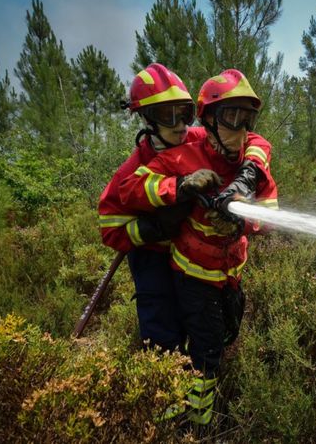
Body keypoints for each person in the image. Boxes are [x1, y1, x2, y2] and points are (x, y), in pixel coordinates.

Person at [118, 69, 278, 426]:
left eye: (245, 118)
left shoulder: (253, 163)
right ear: (207, 119)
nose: (238, 128)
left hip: (230, 276)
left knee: (226, 333)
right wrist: (180, 187)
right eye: (229, 116)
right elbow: (133, 185)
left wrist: (244, 220)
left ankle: (187, 398)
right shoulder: (185, 155)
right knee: (207, 351)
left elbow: (270, 213)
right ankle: (198, 422)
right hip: (192, 278)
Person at [98, 63, 212, 351]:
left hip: (189, 250)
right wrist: (154, 228)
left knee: (200, 324)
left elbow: (237, 140)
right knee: (162, 333)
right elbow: (110, 231)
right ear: (147, 118)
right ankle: (162, 382)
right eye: (167, 114)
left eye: (185, 113)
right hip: (151, 257)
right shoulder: (130, 171)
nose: (180, 125)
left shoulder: (196, 139)